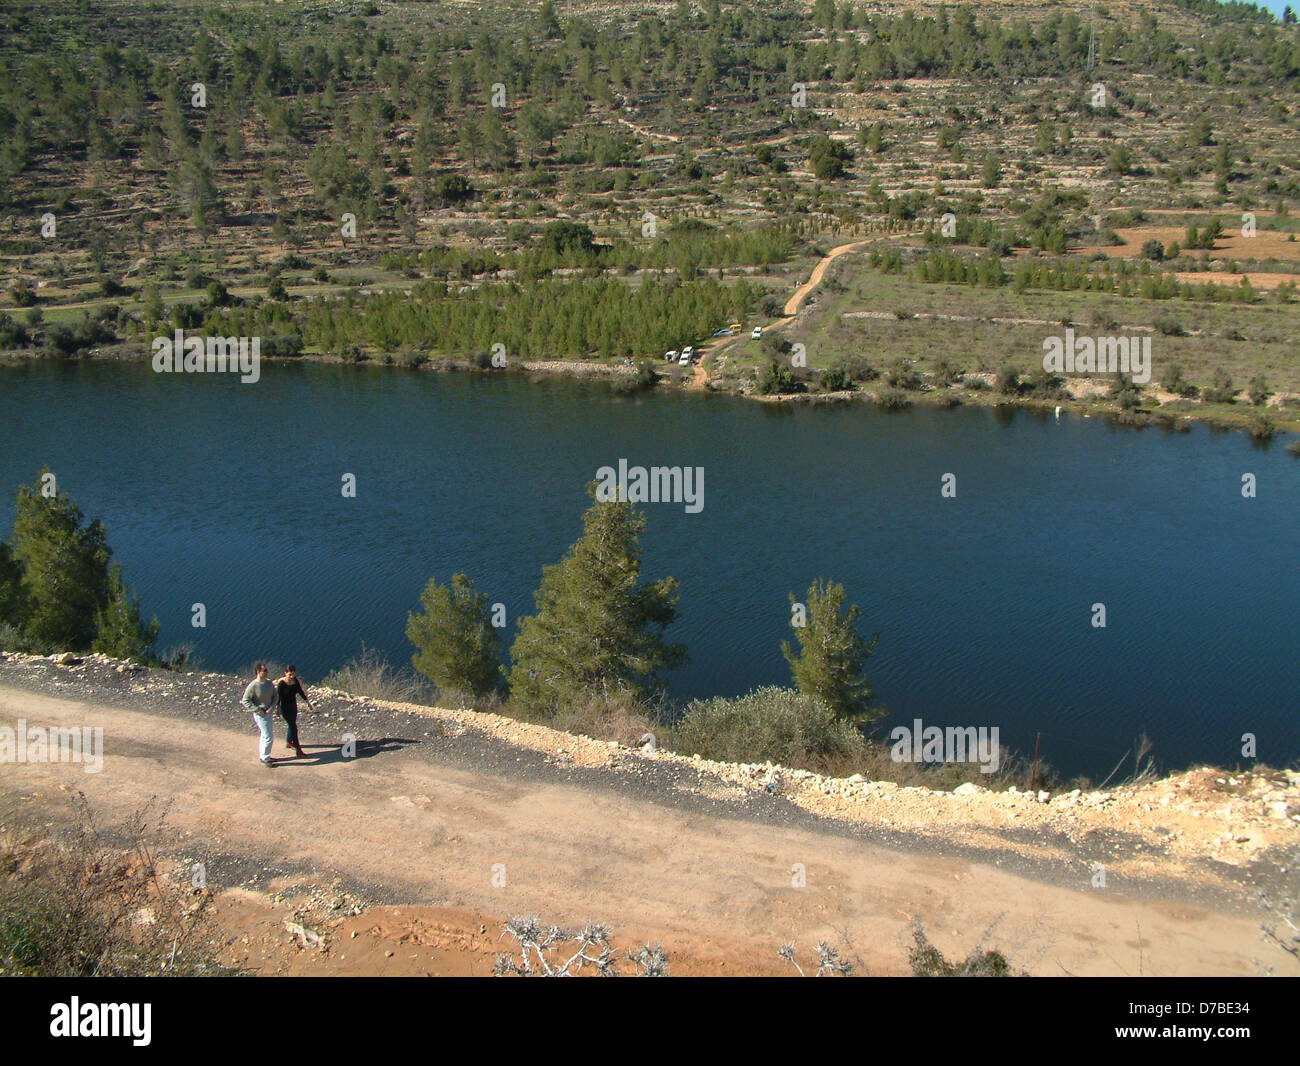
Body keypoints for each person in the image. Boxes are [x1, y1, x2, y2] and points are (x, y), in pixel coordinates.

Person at [241, 663, 280, 766]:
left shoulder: (269, 683)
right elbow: (245, 701)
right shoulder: (253, 686)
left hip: (268, 712)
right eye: (265, 670)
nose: (267, 672)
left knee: (265, 735)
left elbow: (275, 696)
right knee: (268, 736)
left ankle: (264, 755)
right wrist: (257, 710)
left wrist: (271, 708)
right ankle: (265, 758)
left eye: (267, 670)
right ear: (258, 672)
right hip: (261, 715)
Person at [276, 664, 315, 759]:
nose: (291, 676)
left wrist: (308, 702)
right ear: (285, 673)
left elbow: (300, 691)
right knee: (294, 727)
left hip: (293, 706)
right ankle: (298, 750)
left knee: (292, 724)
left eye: (293, 674)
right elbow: (278, 698)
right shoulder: (281, 684)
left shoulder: (295, 681)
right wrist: (277, 709)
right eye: (290, 674)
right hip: (284, 708)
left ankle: (289, 742)